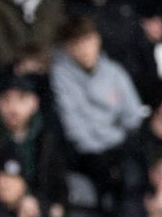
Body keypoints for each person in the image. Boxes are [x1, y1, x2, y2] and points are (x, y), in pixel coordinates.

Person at [50, 16, 145, 200]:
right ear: (67, 48)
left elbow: (133, 115)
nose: (84, 49)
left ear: (97, 40)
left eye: (87, 41)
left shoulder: (114, 71)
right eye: (76, 44)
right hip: (87, 153)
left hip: (119, 145)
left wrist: (117, 139)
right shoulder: (60, 76)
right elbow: (74, 126)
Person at [0, 75, 67, 204]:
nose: (13, 107)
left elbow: (59, 185)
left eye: (21, 99)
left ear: (34, 103)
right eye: (6, 99)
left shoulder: (47, 138)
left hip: (40, 210)